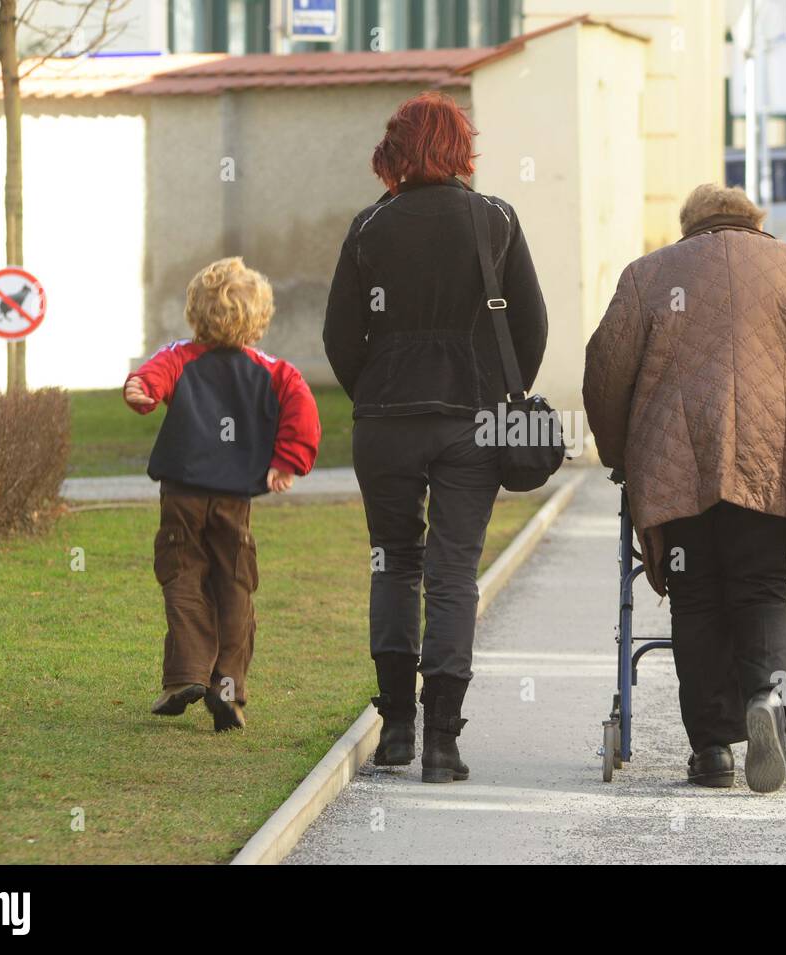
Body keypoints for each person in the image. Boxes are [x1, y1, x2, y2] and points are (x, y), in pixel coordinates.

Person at [582, 185, 786, 794]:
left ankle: (712, 750)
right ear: (755, 222)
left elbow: (605, 371)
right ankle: (769, 698)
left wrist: (619, 454)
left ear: (689, 225)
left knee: (695, 598)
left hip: (677, 462)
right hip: (775, 460)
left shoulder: (650, 274)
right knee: (761, 587)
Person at [323, 92, 548, 784]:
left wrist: (380, 391)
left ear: (395, 150)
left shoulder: (370, 227)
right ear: (461, 148)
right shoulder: (496, 220)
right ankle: (443, 743)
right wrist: (490, 388)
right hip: (473, 421)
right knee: (453, 572)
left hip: (386, 422)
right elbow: (530, 326)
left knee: (392, 561)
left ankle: (395, 727)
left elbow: (339, 337)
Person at [125, 257, 321, 731]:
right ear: (260, 319)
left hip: (182, 492)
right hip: (235, 497)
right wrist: (286, 460)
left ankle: (186, 677)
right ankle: (227, 689)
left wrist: (142, 391)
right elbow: (302, 410)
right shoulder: (274, 370)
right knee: (235, 585)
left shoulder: (179, 356)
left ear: (195, 311)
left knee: (182, 575)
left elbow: (152, 376)